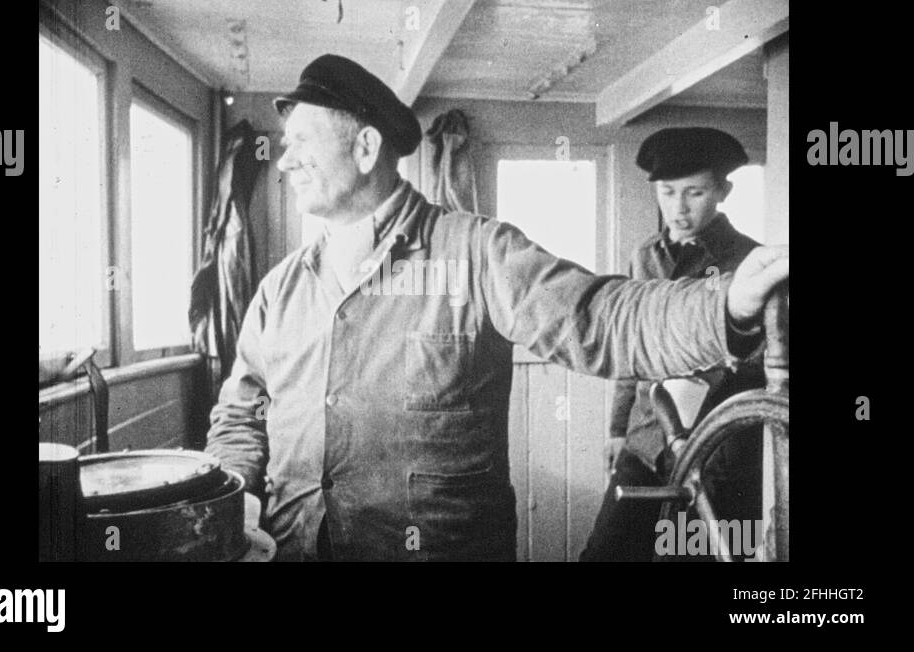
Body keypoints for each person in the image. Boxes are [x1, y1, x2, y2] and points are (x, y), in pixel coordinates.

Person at [204, 54, 789, 561]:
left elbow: (601, 318)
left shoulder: (478, 254)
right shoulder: (279, 291)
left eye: (301, 142)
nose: (282, 161)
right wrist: (233, 498)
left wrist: (726, 303)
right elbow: (241, 413)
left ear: (364, 148)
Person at [580, 127, 765, 562]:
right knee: (605, 554)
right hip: (646, 445)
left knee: (700, 558)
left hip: (718, 453)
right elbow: (631, 344)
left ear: (723, 191)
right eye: (667, 193)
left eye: (694, 192)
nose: (678, 209)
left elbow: (761, 367)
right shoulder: (644, 256)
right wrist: (617, 429)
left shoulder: (752, 263)